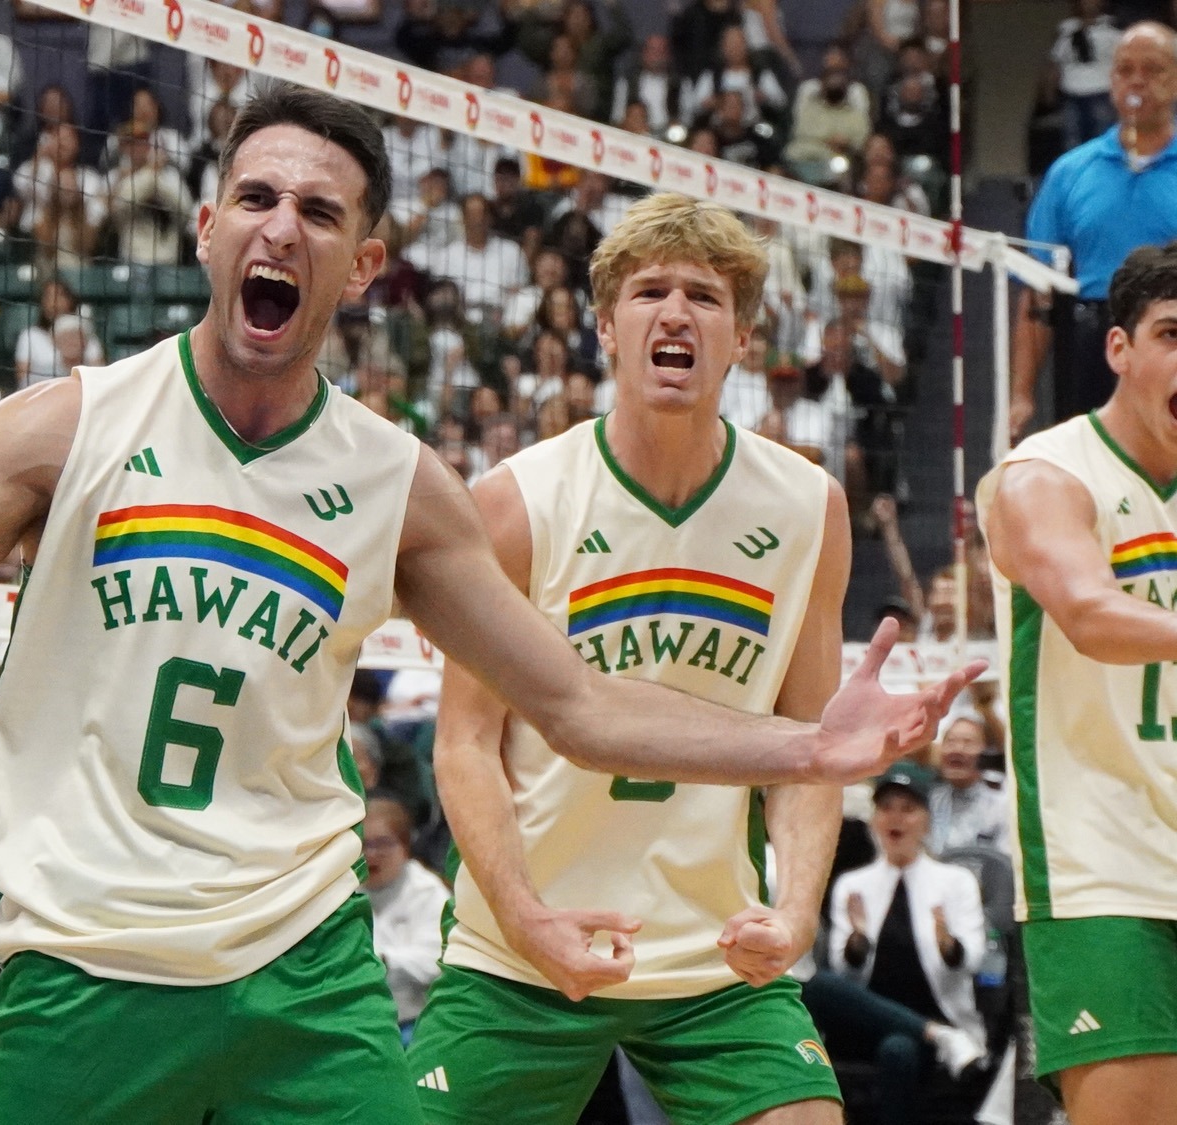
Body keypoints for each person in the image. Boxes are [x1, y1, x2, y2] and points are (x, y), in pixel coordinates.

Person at [0, 87, 977, 1124]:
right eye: (262, 199)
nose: (284, 228)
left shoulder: (400, 484)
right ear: (210, 224)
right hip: (85, 971)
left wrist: (811, 748)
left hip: (306, 978)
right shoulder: (65, 427)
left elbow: (577, 702)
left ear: (365, 261)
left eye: (322, 211)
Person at [409, 193, 850, 1124]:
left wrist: (798, 908)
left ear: (740, 338)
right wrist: (528, 921)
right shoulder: (517, 501)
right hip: (523, 950)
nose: (677, 312)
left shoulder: (810, 505)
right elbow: (462, 746)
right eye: (650, 292)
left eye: (706, 295)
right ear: (606, 328)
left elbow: (810, 749)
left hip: (717, 955)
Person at [977, 239, 1177, 1124]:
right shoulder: (1045, 476)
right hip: (1103, 865)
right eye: (1174, 333)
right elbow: (1093, 617)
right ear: (1120, 349)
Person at [1012, 22, 1177, 438]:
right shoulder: (1070, 173)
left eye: (1152, 69)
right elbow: (1037, 292)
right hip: (1089, 343)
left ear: (1175, 80)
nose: (1136, 80)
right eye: (1124, 70)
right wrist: (1021, 394)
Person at [824, 763, 990, 1122]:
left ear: (927, 819)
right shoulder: (853, 885)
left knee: (898, 1050)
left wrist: (947, 943)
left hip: (934, 1010)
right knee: (812, 982)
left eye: (907, 809)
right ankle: (940, 1037)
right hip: (868, 1016)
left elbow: (972, 960)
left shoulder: (955, 881)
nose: (895, 819)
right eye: (886, 809)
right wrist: (858, 940)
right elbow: (843, 972)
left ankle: (937, 1033)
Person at [361, 796, 446, 1044]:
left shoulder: (427, 891)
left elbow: (436, 961)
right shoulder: (346, 890)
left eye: (383, 843)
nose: (372, 854)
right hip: (361, 1018)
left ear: (405, 846)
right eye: (364, 845)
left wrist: (385, 961)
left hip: (416, 1021)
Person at [926, 716, 1008, 855]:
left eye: (968, 743)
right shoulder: (928, 802)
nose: (957, 749)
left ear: (986, 753)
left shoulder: (1002, 805)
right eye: (951, 742)